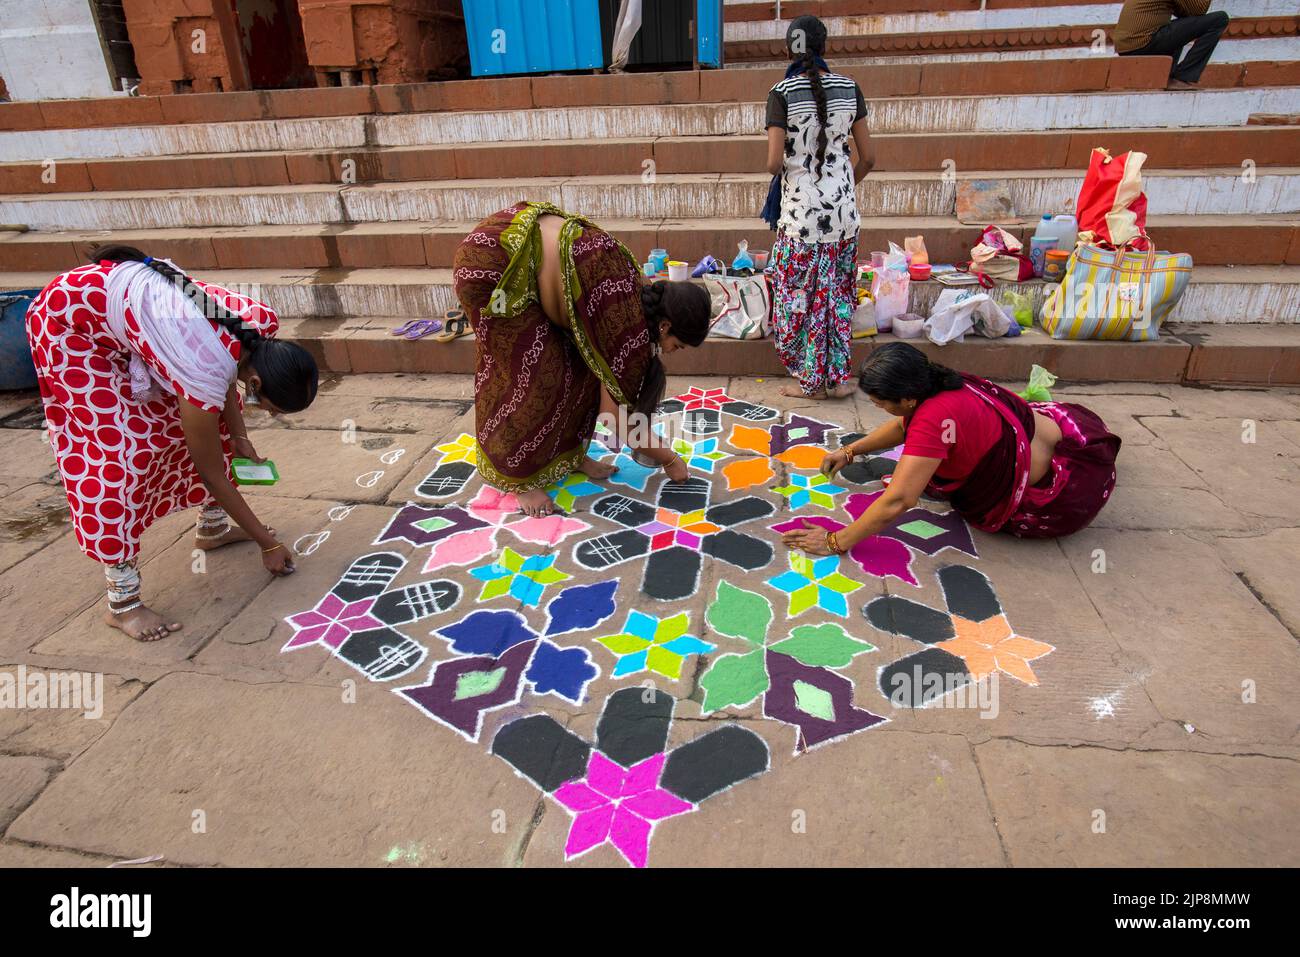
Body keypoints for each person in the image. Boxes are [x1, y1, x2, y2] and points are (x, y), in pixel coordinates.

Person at [26, 246, 319, 641]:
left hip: (131, 315)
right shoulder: (204, 364)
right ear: (257, 383)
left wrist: (238, 435)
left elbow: (225, 376)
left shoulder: (257, 328)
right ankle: (123, 601)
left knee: (200, 425)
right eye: (270, 407)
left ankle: (213, 528)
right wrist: (267, 543)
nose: (267, 413)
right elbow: (212, 472)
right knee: (119, 458)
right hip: (70, 328)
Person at [453, 201, 711, 517]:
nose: (672, 352)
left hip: (515, 240)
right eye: (678, 345)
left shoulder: (642, 296)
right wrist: (670, 459)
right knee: (533, 376)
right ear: (665, 325)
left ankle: (571, 456)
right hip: (494, 269)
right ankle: (519, 478)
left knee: (581, 366)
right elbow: (613, 417)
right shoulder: (626, 330)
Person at [782, 344, 1121, 556]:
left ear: (909, 399)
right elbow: (905, 426)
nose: (879, 409)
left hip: (1060, 495)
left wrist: (834, 542)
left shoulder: (932, 419)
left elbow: (900, 499)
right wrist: (852, 450)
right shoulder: (942, 380)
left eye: (881, 403)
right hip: (1070, 439)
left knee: (912, 477)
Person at [763, 14, 874, 400]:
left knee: (798, 296)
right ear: (823, 46)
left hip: (800, 220)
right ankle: (837, 379)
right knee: (836, 296)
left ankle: (809, 380)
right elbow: (869, 158)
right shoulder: (850, 88)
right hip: (844, 217)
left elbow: (773, 163)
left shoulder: (781, 92)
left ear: (789, 46)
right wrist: (842, 189)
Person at [1115, 1, 1230, 90]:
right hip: (1142, 42)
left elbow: (1187, 13)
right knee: (1220, 19)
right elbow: (1199, 10)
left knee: (1181, 26)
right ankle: (1182, 77)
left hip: (1129, 45)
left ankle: (1169, 76)